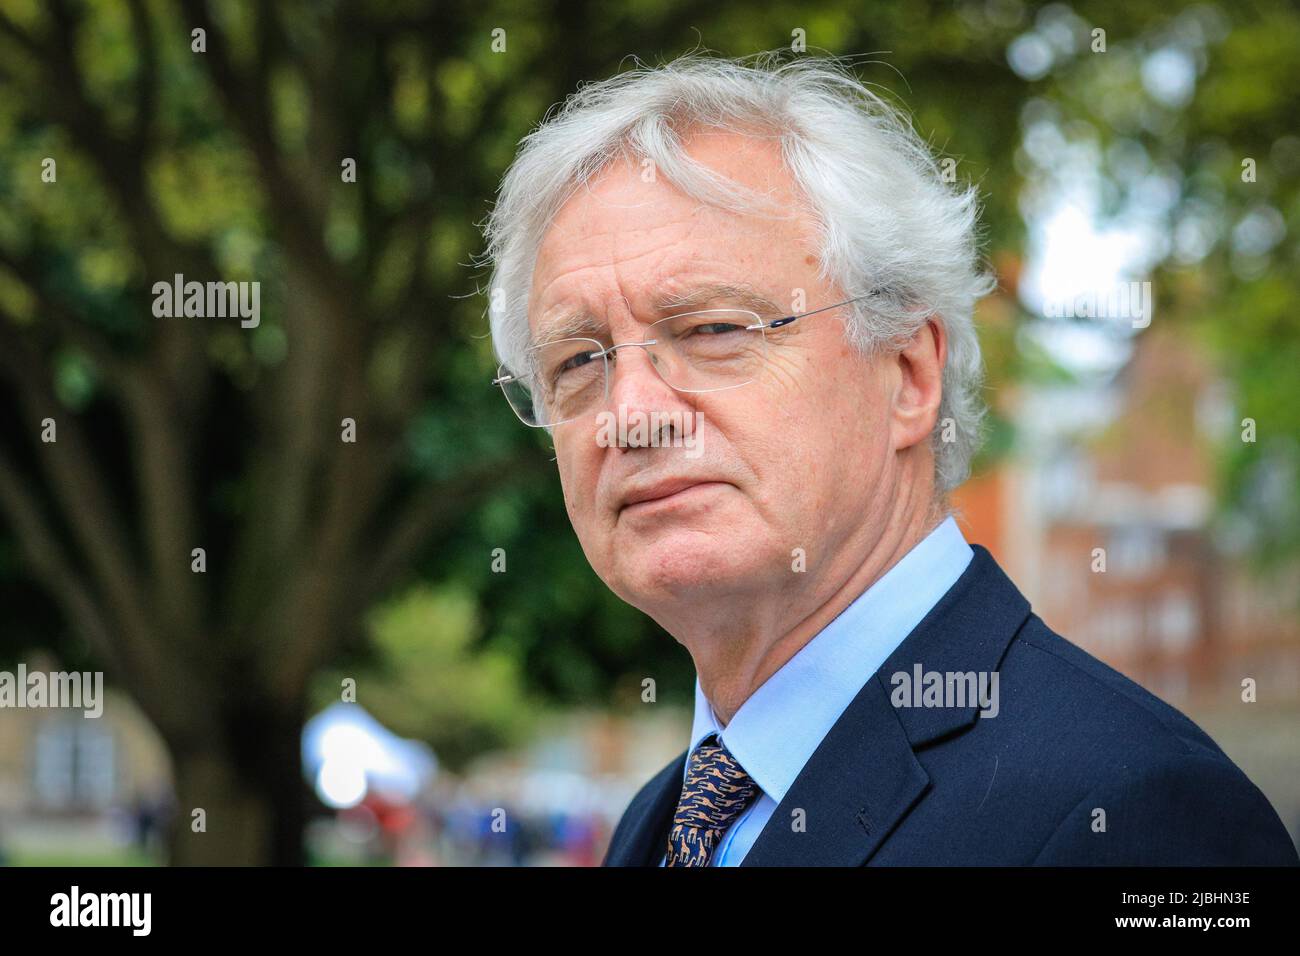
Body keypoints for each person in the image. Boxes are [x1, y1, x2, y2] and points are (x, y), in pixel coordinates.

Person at [478, 52, 1299, 866]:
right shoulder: (656, 824)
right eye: (578, 362)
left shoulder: (1137, 814)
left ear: (909, 375)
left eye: (712, 330)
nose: (631, 416)